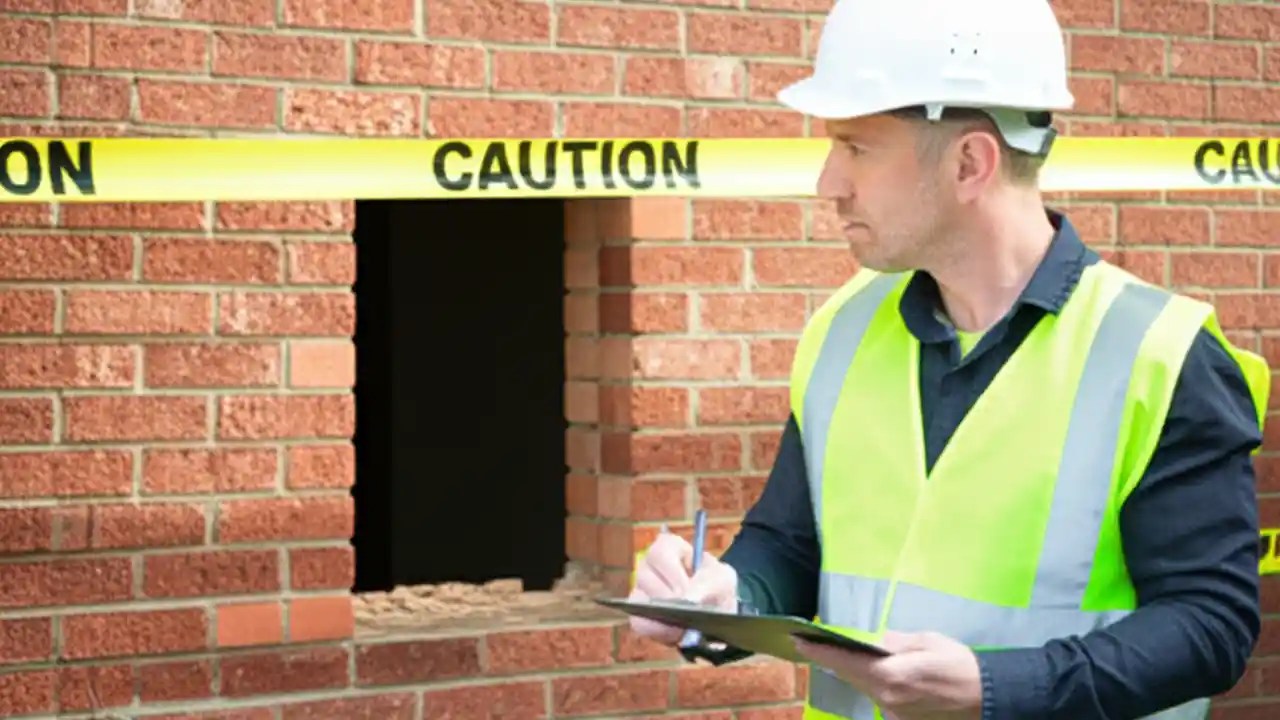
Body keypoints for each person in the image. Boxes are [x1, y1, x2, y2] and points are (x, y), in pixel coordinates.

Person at [624, 0, 1272, 719]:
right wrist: (724, 600)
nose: (828, 184)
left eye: (856, 147)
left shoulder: (1160, 354)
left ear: (970, 162)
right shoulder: (843, 329)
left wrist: (997, 690)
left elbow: (1210, 625)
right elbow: (789, 547)